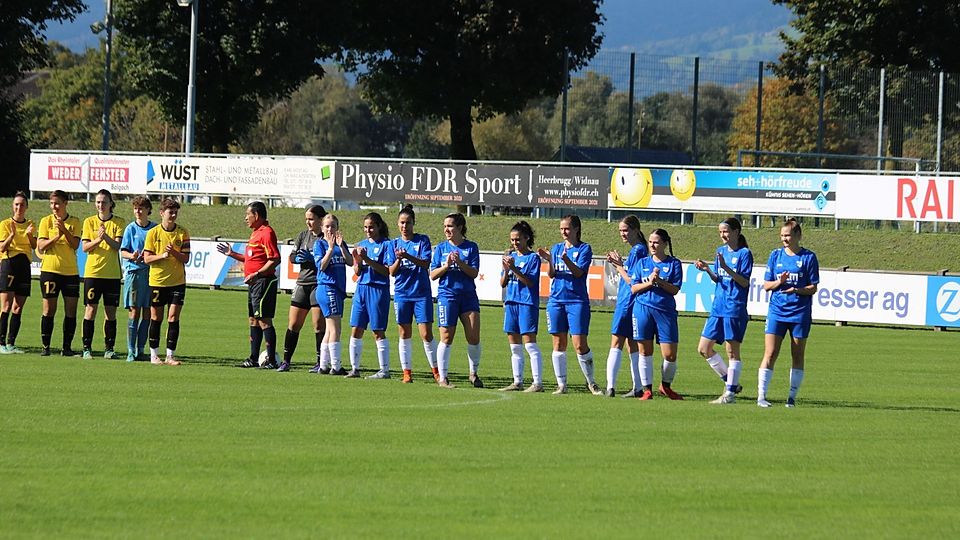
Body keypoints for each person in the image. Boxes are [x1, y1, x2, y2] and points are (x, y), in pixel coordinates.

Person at [758, 218, 819, 408]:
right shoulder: (775, 256)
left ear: (798, 236)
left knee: (798, 354)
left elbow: (813, 287)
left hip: (799, 313)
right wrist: (779, 282)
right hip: (777, 311)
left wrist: (796, 290)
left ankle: (791, 397)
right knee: (770, 352)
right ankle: (761, 396)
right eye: (782, 235)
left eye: (788, 235)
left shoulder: (809, 257)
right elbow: (767, 285)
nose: (785, 239)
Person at [537, 214, 600, 395]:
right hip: (556, 300)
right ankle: (562, 385)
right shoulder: (557, 248)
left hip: (576, 301)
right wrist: (549, 260)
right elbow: (551, 275)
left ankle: (591, 382)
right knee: (558, 343)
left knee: (579, 344)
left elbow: (579, 273)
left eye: (567, 228)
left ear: (576, 230)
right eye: (561, 228)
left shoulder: (584, 249)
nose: (563, 232)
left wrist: (565, 260)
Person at [694, 217, 754, 404]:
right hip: (718, 307)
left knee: (732, 351)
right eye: (720, 232)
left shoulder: (745, 254)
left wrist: (726, 268)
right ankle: (731, 383)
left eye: (726, 231)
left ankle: (729, 394)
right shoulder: (720, 252)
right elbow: (719, 279)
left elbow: (744, 282)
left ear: (736, 232)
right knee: (703, 348)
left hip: (734, 307)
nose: (723, 235)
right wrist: (707, 270)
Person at [217, 201, 281, 370]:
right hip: (254, 283)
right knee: (253, 319)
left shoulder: (267, 233)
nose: (246, 218)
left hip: (263, 282)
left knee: (264, 320)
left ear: (257, 215)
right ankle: (253, 358)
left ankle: (272, 360)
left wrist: (257, 274)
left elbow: (275, 259)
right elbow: (252, 259)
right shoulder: (255, 233)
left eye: (248, 214)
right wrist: (232, 254)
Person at [630, 228, 684, 400]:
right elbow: (634, 287)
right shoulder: (643, 263)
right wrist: (649, 283)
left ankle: (666, 386)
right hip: (642, 310)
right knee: (645, 351)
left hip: (665, 312)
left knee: (670, 354)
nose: (652, 245)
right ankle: (647, 390)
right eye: (650, 242)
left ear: (665, 244)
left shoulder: (674, 264)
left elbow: (675, 289)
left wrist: (659, 281)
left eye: (656, 242)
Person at [429, 213, 482, 389]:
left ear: (460, 227)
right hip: (447, 296)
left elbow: (474, 273)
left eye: (450, 226)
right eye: (445, 226)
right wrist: (446, 266)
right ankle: (443, 378)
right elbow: (433, 275)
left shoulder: (471, 247)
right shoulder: (441, 248)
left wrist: (459, 262)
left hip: (468, 296)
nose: (446, 229)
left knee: (473, 336)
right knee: (446, 336)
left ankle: (473, 373)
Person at [389, 205, 438, 384]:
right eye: (402, 223)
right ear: (397, 224)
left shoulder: (422, 240)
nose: (404, 226)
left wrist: (407, 256)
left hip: (421, 293)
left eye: (408, 223)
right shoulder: (393, 244)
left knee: (426, 334)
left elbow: (425, 264)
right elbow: (392, 271)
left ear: (413, 223)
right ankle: (406, 372)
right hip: (402, 294)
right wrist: (398, 259)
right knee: (404, 332)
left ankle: (436, 370)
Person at [603, 215, 648, 397]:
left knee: (616, 342)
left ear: (636, 230)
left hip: (627, 302)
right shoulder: (638, 250)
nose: (622, 233)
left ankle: (610, 387)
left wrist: (618, 266)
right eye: (620, 230)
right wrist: (622, 264)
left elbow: (631, 280)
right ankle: (637, 388)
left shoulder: (638, 250)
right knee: (632, 345)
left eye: (625, 230)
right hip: (633, 302)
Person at [347, 212, 394, 379]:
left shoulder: (387, 245)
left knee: (377, 330)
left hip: (378, 289)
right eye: (366, 227)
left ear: (379, 226)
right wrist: (358, 261)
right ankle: (354, 368)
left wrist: (367, 258)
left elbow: (386, 271)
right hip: (361, 289)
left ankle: (384, 370)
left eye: (371, 227)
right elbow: (358, 271)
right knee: (356, 328)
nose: (368, 230)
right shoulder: (361, 244)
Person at [142, 198, 190, 365]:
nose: (174, 215)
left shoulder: (182, 232)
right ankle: (154, 355)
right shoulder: (153, 233)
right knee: (156, 317)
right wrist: (162, 256)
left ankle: (170, 355)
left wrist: (174, 253)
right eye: (171, 212)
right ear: (162, 213)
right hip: (157, 282)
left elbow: (186, 258)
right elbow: (146, 258)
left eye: (176, 212)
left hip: (177, 282)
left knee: (173, 317)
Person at [79, 189, 125, 359]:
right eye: (98, 202)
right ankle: (86, 349)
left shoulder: (119, 222)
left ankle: (109, 349)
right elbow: (85, 248)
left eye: (104, 202)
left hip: (112, 275)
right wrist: (98, 239)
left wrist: (104, 236)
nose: (101, 205)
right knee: (90, 310)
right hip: (93, 274)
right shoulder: (89, 222)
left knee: (110, 313)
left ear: (111, 204)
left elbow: (117, 245)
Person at [499, 220, 544, 392]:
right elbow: (503, 283)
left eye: (517, 239)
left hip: (526, 303)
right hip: (511, 302)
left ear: (526, 238)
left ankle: (537, 383)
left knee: (530, 344)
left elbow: (529, 282)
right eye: (512, 240)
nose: (514, 243)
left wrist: (514, 268)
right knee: (514, 346)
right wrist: (506, 269)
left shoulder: (533, 258)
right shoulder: (511, 257)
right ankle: (517, 381)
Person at [282, 205, 327, 372]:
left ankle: (320, 362)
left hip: (318, 284)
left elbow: (327, 261)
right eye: (306, 219)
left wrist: (313, 258)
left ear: (320, 220)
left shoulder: (326, 237)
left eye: (311, 218)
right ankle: (286, 361)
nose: (308, 222)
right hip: (302, 284)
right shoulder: (303, 235)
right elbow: (292, 255)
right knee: (293, 324)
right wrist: (297, 258)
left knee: (318, 325)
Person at [37, 190, 81, 357]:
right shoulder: (45, 221)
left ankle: (66, 348)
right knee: (49, 309)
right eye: (51, 203)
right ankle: (45, 346)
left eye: (57, 203)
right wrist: (56, 237)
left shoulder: (75, 221)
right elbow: (41, 245)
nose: (54, 207)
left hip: (70, 272)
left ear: (65, 204)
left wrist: (64, 230)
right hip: (50, 271)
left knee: (71, 310)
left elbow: (75, 244)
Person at [311, 214, 353, 375]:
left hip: (337, 289)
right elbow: (321, 266)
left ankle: (323, 365)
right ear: (321, 228)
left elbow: (350, 262)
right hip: (327, 287)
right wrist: (329, 248)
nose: (330, 229)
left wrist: (341, 247)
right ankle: (336, 366)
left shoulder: (341, 244)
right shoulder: (320, 244)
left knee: (330, 329)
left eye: (333, 226)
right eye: (327, 226)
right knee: (336, 328)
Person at [119, 196, 157, 362]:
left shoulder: (155, 229)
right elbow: (123, 251)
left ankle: (141, 349)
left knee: (148, 312)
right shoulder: (130, 229)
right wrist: (132, 256)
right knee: (134, 311)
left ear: (148, 210)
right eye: (136, 208)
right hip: (134, 274)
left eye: (141, 208)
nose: (138, 211)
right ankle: (130, 350)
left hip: (151, 275)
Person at [0, 191, 37, 354]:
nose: (19, 207)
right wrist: (12, 235)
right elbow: (2, 247)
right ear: (12, 206)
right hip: (9, 264)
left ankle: (11, 343)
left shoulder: (30, 224)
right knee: (6, 306)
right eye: (16, 204)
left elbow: (35, 246)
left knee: (18, 307)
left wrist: (29, 235)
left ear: (27, 207)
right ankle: (1, 343)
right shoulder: (5, 224)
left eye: (22, 204)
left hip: (24, 266)